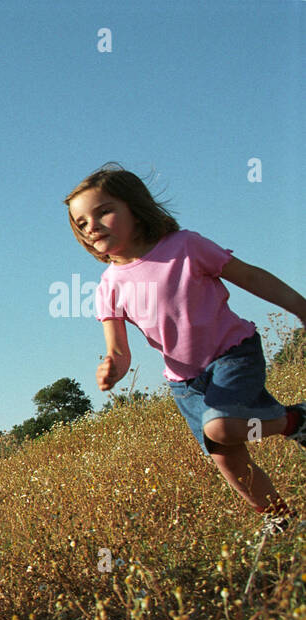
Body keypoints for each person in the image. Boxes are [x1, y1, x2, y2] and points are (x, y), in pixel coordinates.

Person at [66, 164, 306, 534]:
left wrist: (300, 307)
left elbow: (250, 276)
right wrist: (113, 365)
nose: (92, 225)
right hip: (186, 384)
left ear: (136, 208)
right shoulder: (108, 287)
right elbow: (118, 349)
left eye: (103, 211)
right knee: (226, 456)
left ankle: (296, 421)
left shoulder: (185, 247)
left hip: (232, 353)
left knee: (222, 427)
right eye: (81, 223)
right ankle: (280, 518)